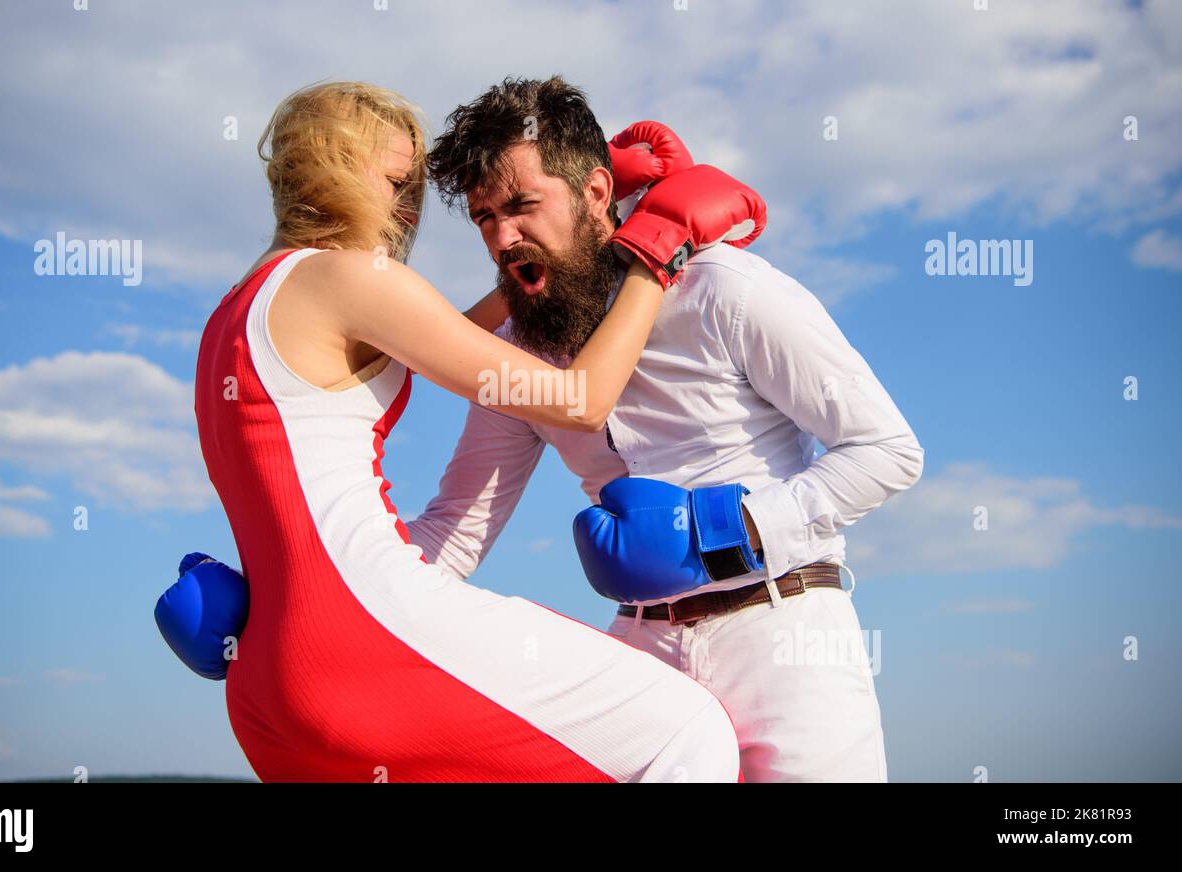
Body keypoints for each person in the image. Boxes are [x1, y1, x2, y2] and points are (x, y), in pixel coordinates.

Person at [173, 80, 763, 782]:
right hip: (367, 636)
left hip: (269, 683)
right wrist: (653, 250)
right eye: (395, 181)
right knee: (685, 730)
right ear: (334, 167)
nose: (405, 208)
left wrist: (588, 232)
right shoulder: (354, 278)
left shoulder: (240, 307)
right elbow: (580, 401)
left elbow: (450, 335)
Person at [404, 77, 925, 782]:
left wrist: (731, 529)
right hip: (640, 654)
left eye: (524, 205)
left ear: (595, 193)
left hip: (786, 639)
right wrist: (294, 597)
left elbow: (887, 449)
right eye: (484, 217)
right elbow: (452, 534)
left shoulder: (727, 291)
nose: (502, 236)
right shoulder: (519, 359)